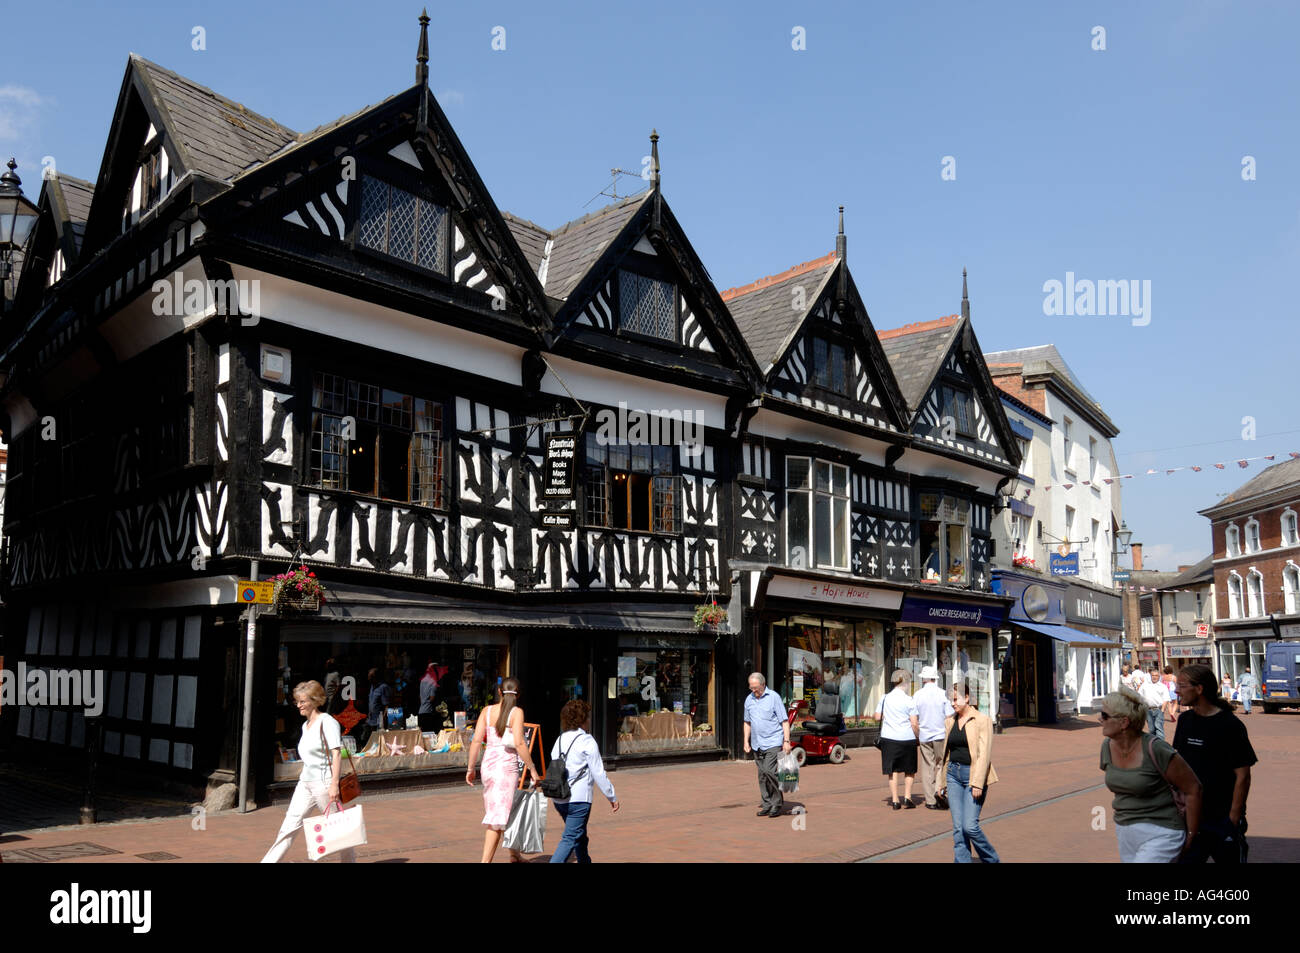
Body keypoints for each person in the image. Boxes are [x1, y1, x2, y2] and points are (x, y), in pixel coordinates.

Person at [1098, 684, 1203, 863]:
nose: (1100, 719)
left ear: (1124, 722)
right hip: (1126, 831)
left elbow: (1194, 788)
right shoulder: (1107, 747)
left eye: (1105, 716)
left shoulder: (1156, 749)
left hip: (1162, 831)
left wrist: (1192, 833)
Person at [260, 680, 356, 863]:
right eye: (297, 701)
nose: (298, 705)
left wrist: (334, 784)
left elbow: (336, 754)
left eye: (302, 701)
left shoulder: (327, 722)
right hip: (305, 783)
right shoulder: (306, 726)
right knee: (289, 826)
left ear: (315, 700)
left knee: (339, 829)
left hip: (324, 784)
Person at [1172, 664, 1257, 864]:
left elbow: (1243, 776)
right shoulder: (1185, 721)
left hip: (1222, 816)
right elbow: (1179, 765)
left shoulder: (1230, 724)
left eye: (1182, 686)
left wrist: (1233, 818)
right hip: (1191, 815)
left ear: (1199, 689)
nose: (1177, 691)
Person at [465, 676, 540, 863]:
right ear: (518, 694)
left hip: (489, 765)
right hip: (505, 768)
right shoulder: (516, 713)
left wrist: (470, 768)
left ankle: (514, 854)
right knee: (497, 817)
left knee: (505, 810)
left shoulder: (487, 711)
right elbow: (520, 743)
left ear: (499, 692)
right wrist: (532, 768)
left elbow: (476, 741)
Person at [936, 681, 1000, 862]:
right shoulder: (949, 721)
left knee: (970, 826)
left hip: (972, 775)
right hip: (952, 775)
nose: (953, 703)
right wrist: (941, 783)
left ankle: (992, 859)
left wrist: (978, 782)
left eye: (956, 699)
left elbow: (984, 755)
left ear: (967, 698)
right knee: (958, 827)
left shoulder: (982, 720)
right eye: (951, 700)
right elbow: (946, 755)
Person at [549, 699, 619, 863]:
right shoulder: (587, 741)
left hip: (559, 797)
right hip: (579, 799)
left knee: (579, 834)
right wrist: (612, 797)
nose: (589, 720)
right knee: (570, 838)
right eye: (587, 717)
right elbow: (598, 772)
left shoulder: (559, 740)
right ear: (581, 720)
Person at [743, 673, 791, 817]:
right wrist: (746, 740)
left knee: (770, 771)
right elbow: (747, 722)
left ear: (763, 685)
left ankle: (777, 803)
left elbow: (784, 720)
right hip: (757, 743)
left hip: (773, 741)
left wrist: (786, 741)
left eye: (756, 688)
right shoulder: (749, 699)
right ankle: (767, 803)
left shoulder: (774, 697)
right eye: (751, 688)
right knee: (762, 775)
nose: (753, 691)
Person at [875, 669, 921, 809]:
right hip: (907, 737)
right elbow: (914, 722)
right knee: (909, 769)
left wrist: (889, 717)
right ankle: (907, 797)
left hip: (889, 737)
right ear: (906, 683)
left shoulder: (885, 698)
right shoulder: (909, 700)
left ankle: (895, 800)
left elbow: (877, 716)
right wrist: (917, 736)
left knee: (892, 769)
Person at [912, 665, 954, 810]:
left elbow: (914, 719)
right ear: (935, 679)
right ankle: (939, 792)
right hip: (940, 734)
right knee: (942, 764)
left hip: (924, 735)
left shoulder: (917, 695)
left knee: (927, 766)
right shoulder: (943, 694)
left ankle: (930, 800)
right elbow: (949, 716)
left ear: (923, 679)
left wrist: (917, 733)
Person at [1139, 671, 1170, 741]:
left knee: (1159, 728)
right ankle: (1153, 745)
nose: (1154, 677)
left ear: (1159, 677)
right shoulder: (1145, 685)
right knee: (1151, 729)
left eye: (1156, 675)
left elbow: (1166, 699)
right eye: (1153, 675)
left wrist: (1162, 710)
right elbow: (1139, 696)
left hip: (1158, 710)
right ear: (1150, 676)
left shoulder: (1162, 686)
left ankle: (1161, 745)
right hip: (1148, 710)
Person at [418, 662, 440, 731]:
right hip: (428, 713)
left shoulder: (422, 681)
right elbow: (432, 698)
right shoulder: (433, 682)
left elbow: (420, 697)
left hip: (421, 711)